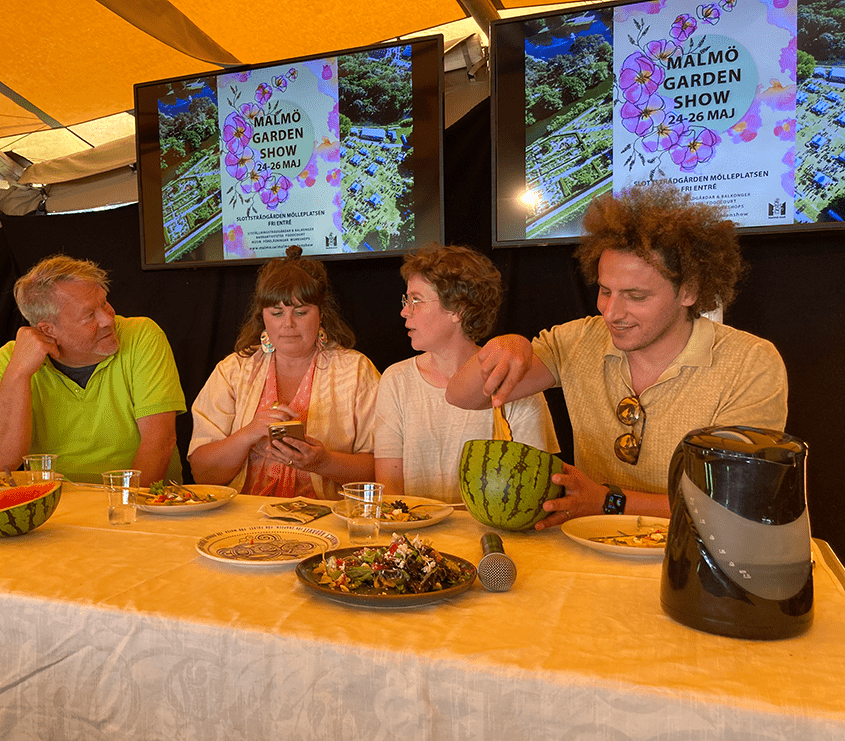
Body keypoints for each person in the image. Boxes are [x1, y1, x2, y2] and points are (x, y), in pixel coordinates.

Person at [446, 182, 788, 528]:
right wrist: (503, 345)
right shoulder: (577, 340)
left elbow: (736, 503)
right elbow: (461, 395)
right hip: (592, 556)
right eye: (605, 291)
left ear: (689, 291)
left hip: (695, 561)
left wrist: (609, 501)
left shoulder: (749, 362)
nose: (611, 312)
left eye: (635, 296)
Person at [0, 255, 186, 484]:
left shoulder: (142, 334)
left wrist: (122, 509)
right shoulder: (9, 360)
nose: (108, 320)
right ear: (48, 330)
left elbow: (160, 442)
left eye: (104, 303)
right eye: (89, 315)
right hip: (55, 507)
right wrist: (19, 373)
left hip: (136, 504)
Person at [188, 246, 379, 499]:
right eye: (277, 313)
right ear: (263, 317)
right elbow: (202, 474)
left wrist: (323, 462)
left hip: (330, 519)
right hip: (244, 518)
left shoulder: (356, 370)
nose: (288, 323)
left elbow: (383, 470)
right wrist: (248, 434)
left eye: (300, 312)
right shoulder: (233, 370)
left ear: (321, 315)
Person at [374, 244, 559, 503]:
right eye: (407, 300)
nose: (405, 311)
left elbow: (532, 488)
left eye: (416, 300)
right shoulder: (396, 380)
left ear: (457, 309)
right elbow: (389, 488)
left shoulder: (513, 375)